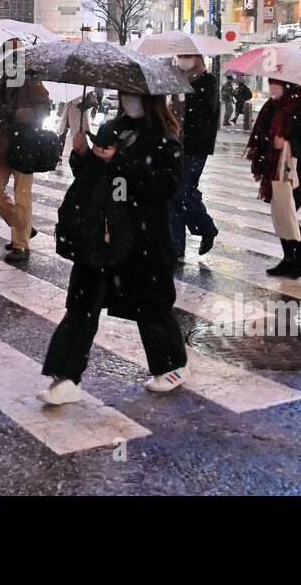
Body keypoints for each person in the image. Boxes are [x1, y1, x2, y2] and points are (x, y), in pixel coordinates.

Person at [38, 91, 187, 405]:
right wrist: (81, 154)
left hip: (142, 236)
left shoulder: (165, 138)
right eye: (124, 94)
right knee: (81, 305)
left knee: (151, 306)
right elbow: (92, 176)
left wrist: (119, 161)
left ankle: (170, 366)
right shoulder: (111, 128)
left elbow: (163, 187)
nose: (128, 100)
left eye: (134, 95)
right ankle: (65, 377)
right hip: (101, 232)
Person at [246, 79, 301, 278]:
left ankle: (300, 256)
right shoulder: (271, 107)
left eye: (275, 84)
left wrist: (288, 144)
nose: (271, 88)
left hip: (297, 173)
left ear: (287, 86)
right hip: (274, 169)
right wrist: (269, 144)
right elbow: (263, 135)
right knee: (281, 214)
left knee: (288, 214)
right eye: (271, 83)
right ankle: (289, 258)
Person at [0, 40, 51, 263]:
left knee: (22, 197)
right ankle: (23, 226)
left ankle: (21, 244)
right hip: (4, 144)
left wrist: (22, 114)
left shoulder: (31, 79)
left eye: (11, 55)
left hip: (25, 142)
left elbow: (44, 109)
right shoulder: (5, 79)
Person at [169, 53, 219, 259]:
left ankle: (207, 227)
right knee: (173, 194)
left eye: (187, 56)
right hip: (174, 143)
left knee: (183, 190)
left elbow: (205, 112)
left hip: (196, 145)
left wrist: (184, 97)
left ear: (198, 58)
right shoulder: (174, 78)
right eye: (180, 56)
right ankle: (176, 246)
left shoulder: (208, 80)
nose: (183, 59)